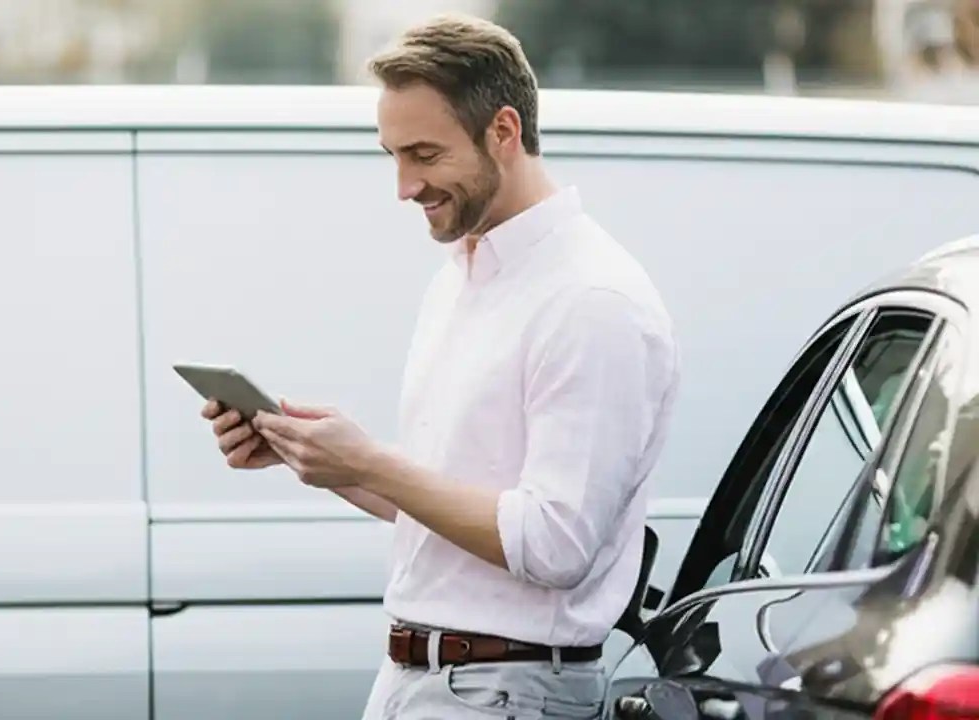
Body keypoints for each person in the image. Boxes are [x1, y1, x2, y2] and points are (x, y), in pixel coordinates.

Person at [201, 13, 680, 719]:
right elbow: (446, 509)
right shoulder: (463, 276)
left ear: (504, 132)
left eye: (423, 154)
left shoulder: (592, 301)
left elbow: (553, 544)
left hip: (504, 692)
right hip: (421, 682)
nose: (403, 185)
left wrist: (370, 462)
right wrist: (321, 459)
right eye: (391, 155)